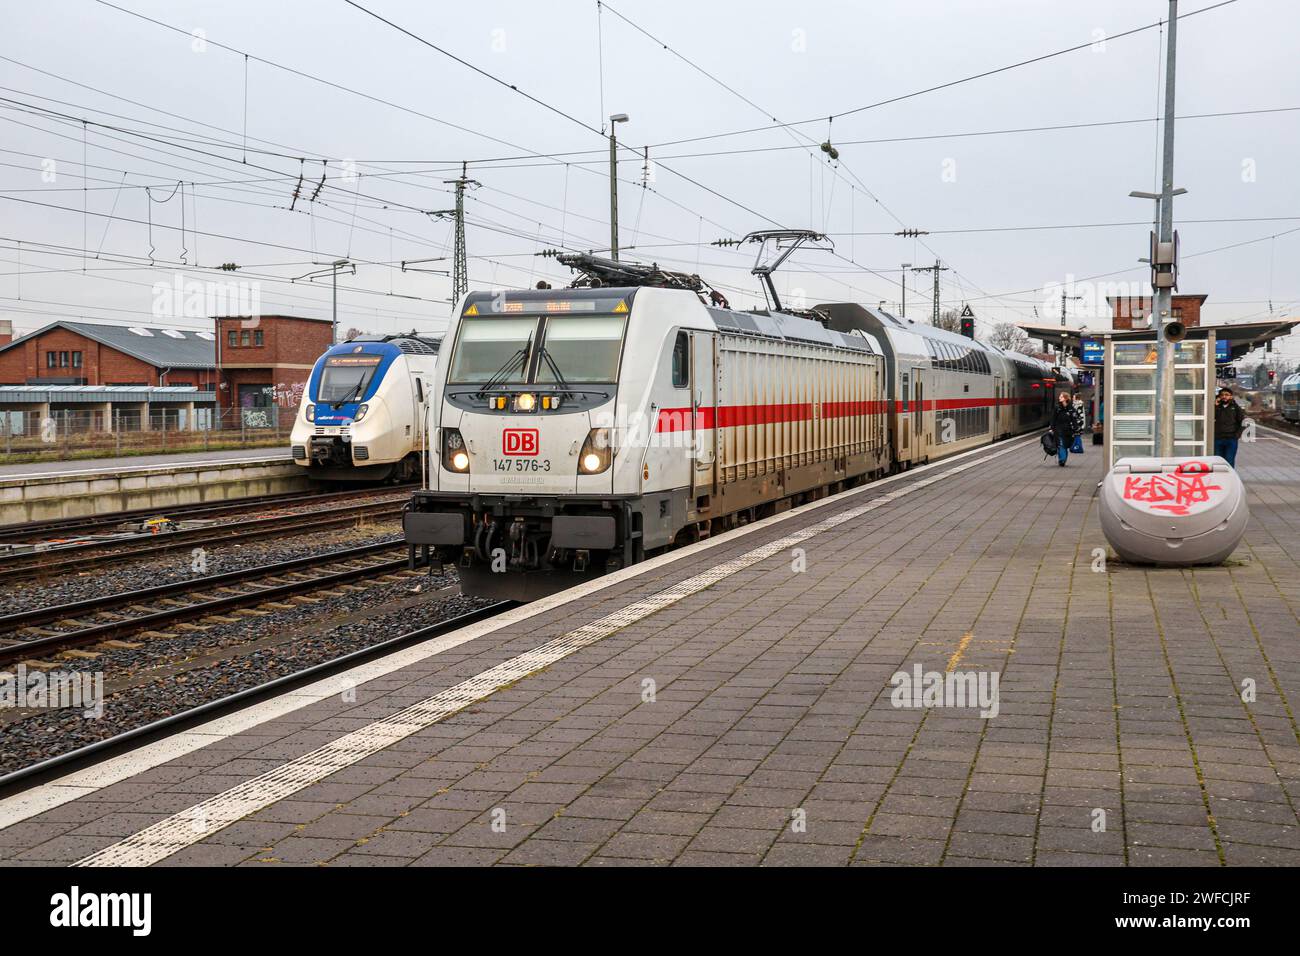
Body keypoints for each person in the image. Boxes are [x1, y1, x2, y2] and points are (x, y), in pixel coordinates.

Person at [1213, 387, 1246, 467]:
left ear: (1231, 396)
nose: (1224, 396)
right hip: (1218, 438)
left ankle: (1230, 478)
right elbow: (1211, 417)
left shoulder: (1235, 408)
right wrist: (1216, 406)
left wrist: (1237, 435)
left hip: (1231, 439)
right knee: (1217, 461)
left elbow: (1243, 422)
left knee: (1229, 460)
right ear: (1219, 396)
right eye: (1222, 395)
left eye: (1227, 395)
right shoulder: (1216, 407)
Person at [1050, 391, 1077, 467]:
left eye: (1061, 397)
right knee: (1061, 444)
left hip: (1068, 430)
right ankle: (1062, 460)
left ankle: (1062, 459)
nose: (1059, 398)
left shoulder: (1071, 408)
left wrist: (1076, 428)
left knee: (1065, 445)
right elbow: (1053, 418)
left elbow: (1074, 419)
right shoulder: (1057, 408)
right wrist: (1052, 428)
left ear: (1065, 398)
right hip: (1058, 429)